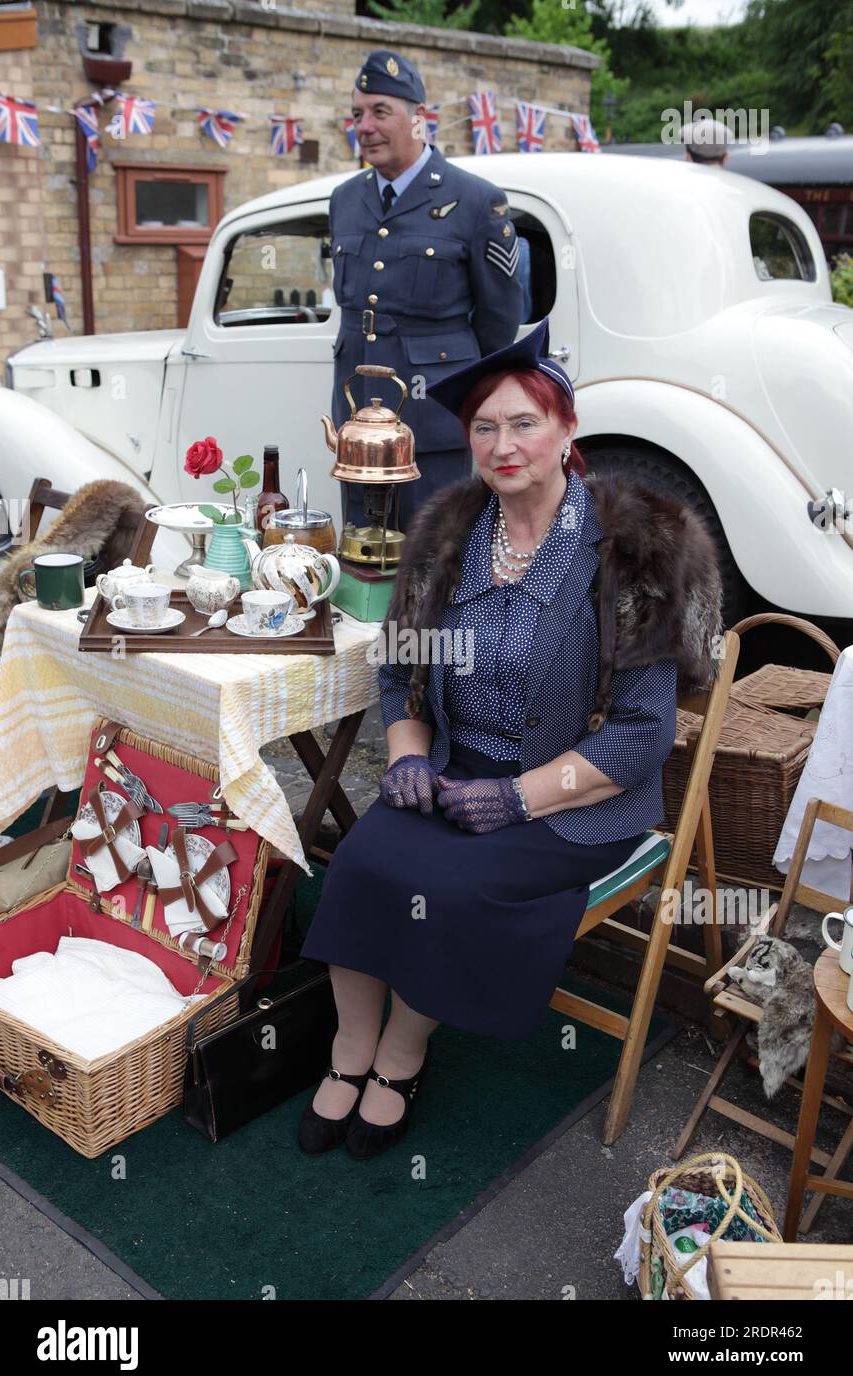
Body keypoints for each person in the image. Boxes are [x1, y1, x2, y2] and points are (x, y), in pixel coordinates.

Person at [298, 317, 723, 1160]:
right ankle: (349, 1049)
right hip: (456, 767)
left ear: (567, 431)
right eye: (485, 427)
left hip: (574, 795)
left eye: (524, 422)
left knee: (453, 889)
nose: (504, 444)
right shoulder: (447, 538)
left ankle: (401, 1055)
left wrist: (518, 796)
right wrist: (413, 755)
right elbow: (400, 677)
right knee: (362, 861)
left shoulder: (636, 552)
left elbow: (642, 738)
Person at [329, 48, 523, 531]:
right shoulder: (345, 199)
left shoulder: (475, 200)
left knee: (435, 554)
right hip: (358, 414)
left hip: (429, 417)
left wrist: (466, 399)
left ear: (420, 119)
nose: (365, 126)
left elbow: (499, 322)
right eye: (357, 113)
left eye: (380, 111)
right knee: (361, 551)